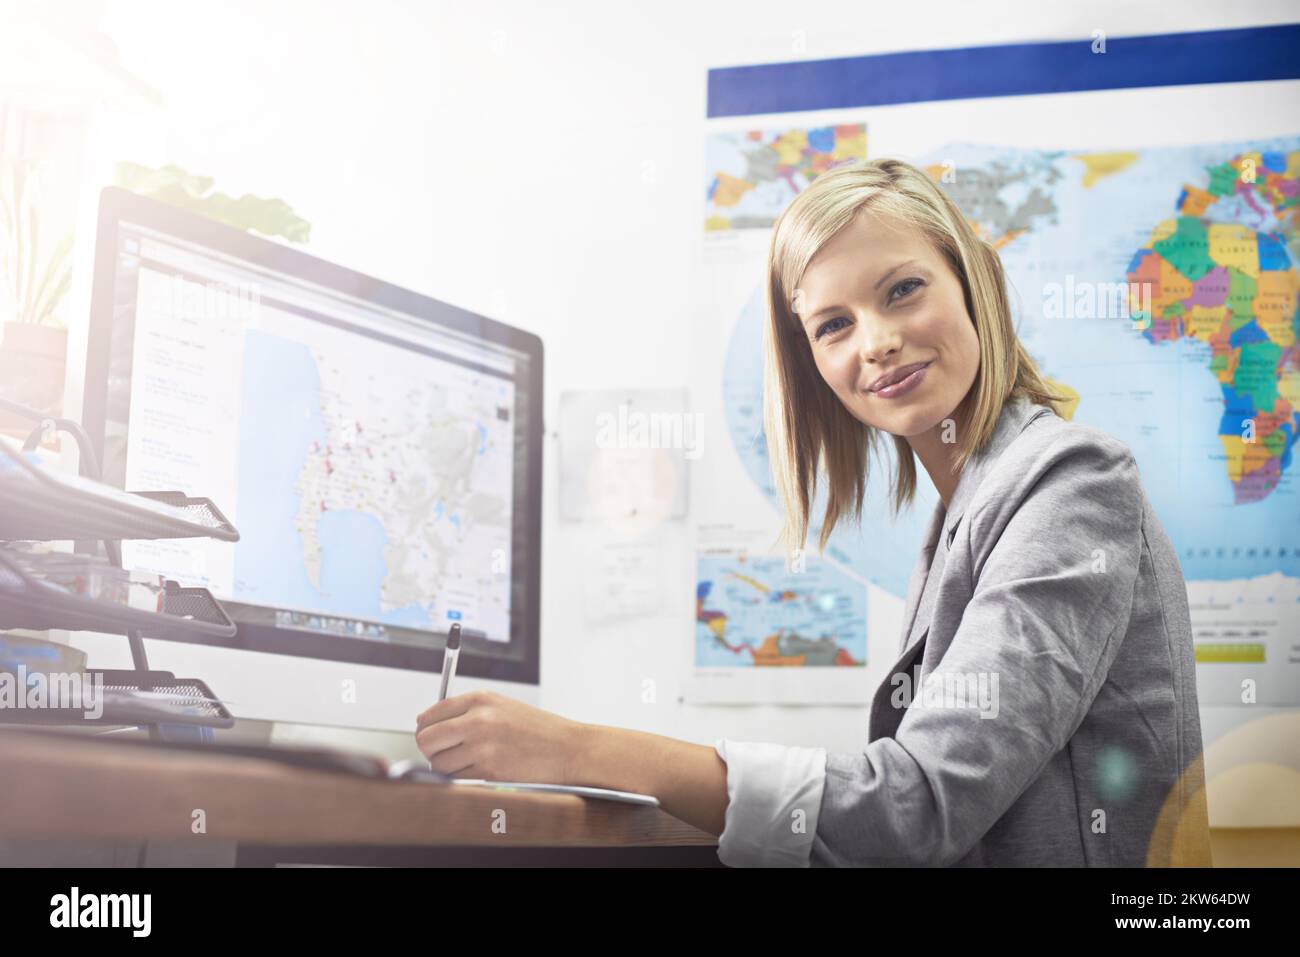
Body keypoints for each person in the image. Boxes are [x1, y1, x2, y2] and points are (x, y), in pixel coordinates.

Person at [414, 157, 1212, 867]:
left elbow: (918, 807)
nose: (878, 341)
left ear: (971, 284)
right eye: (835, 325)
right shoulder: (969, 509)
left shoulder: (1071, 482)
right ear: (815, 364)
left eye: (903, 290)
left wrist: (576, 748)